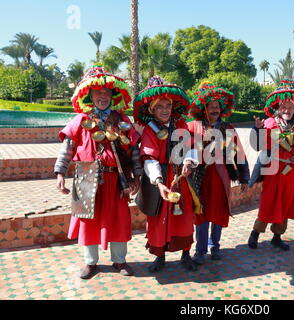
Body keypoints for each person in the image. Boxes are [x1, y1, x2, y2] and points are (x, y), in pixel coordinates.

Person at [54, 66, 141, 279]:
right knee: (87, 220)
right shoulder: (80, 120)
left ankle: (119, 260)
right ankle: (90, 263)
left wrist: (137, 175)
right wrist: (60, 173)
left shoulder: (122, 120)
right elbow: (68, 147)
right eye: (98, 92)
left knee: (119, 218)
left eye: (106, 92)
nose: (103, 96)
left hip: (117, 178)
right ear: (90, 95)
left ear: (113, 95)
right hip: (85, 176)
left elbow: (134, 149)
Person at [133, 76, 199, 273]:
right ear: (152, 109)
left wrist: (188, 162)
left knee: (185, 218)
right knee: (158, 218)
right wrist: (159, 183)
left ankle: (186, 254)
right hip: (159, 182)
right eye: (159, 106)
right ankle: (159, 256)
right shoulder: (149, 131)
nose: (164, 109)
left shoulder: (181, 126)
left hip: (181, 179)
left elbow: (191, 148)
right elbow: (149, 158)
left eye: (167, 105)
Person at [247, 79, 294, 251]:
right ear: (278, 106)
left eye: (290, 107)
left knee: (285, 203)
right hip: (272, 171)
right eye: (283, 107)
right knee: (268, 202)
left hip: (292, 172)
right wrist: (257, 130)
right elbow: (257, 146)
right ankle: (255, 233)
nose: (287, 110)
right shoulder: (269, 123)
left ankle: (277, 236)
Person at [187, 82, 250, 264]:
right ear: (203, 108)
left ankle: (215, 245)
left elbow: (239, 154)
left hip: (221, 176)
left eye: (217, 106)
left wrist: (244, 177)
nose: (215, 109)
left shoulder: (228, 129)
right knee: (201, 213)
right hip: (200, 178)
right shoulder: (193, 127)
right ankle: (200, 250)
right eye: (211, 106)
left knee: (219, 212)